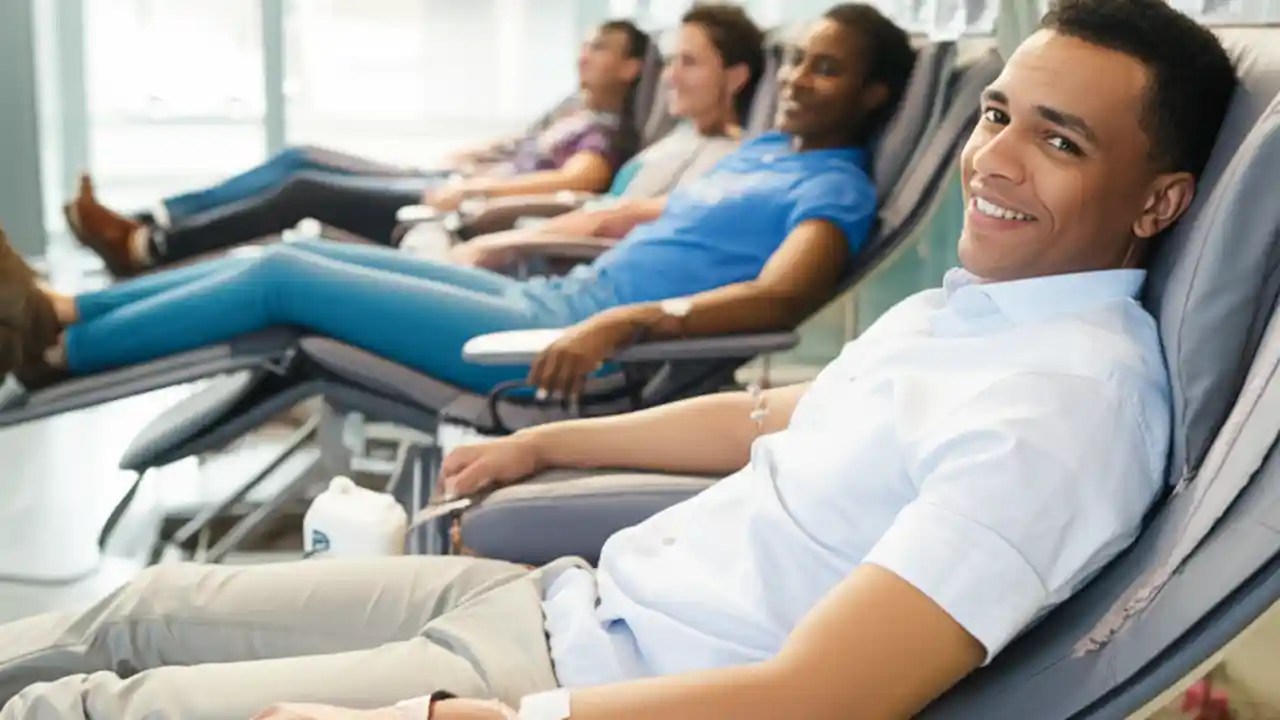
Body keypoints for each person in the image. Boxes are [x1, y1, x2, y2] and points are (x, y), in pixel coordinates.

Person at [0, 2, 1239, 718]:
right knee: (138, 613)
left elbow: (817, 698)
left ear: (1158, 200)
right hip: (558, 600)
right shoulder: (975, 317)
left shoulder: (1063, 413)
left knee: (96, 706)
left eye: (1058, 141)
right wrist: (548, 442)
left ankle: (64, 327)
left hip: (557, 680)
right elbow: (772, 417)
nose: (992, 159)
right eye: (994, 115)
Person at [0, 4, 906, 398]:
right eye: (799, 60)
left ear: (873, 95)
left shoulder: (835, 187)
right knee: (300, 252)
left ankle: (60, 349)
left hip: (568, 346)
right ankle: (69, 309)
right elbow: (646, 220)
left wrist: (627, 323)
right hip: (551, 299)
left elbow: (781, 299)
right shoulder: (766, 151)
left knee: (284, 277)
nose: (798, 78)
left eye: (827, 69)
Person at [65, 20, 653, 276]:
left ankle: (150, 245)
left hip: (456, 205)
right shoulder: (572, 109)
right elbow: (521, 148)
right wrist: (470, 158)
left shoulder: (606, 129)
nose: (584, 55)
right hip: (448, 181)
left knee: (302, 188)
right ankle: (150, 223)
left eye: (601, 49)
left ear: (630, 68)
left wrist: (473, 188)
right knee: (298, 161)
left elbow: (577, 180)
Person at [450, 4, 769, 271]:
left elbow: (618, 220)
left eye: (689, 62)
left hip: (578, 269)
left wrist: (502, 243)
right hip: (557, 248)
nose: (669, 76)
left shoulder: (728, 161)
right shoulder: (677, 137)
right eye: (671, 61)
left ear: (735, 77)